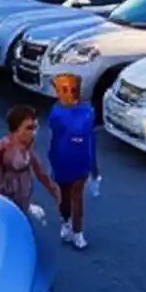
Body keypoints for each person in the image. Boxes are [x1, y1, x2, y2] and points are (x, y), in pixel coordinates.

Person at [47, 74, 98, 250]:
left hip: (81, 160)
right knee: (64, 196)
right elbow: (54, 139)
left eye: (73, 89)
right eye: (64, 90)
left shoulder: (88, 111)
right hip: (62, 159)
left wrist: (94, 167)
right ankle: (65, 220)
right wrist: (53, 160)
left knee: (77, 196)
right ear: (58, 92)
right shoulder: (56, 112)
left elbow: (91, 138)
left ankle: (78, 232)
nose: (69, 94)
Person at [0, 105, 61, 216]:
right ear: (17, 129)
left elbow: (40, 172)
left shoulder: (28, 146)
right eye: (28, 128)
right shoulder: (1, 147)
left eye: (34, 128)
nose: (33, 133)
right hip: (7, 195)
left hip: (24, 193)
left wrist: (55, 192)